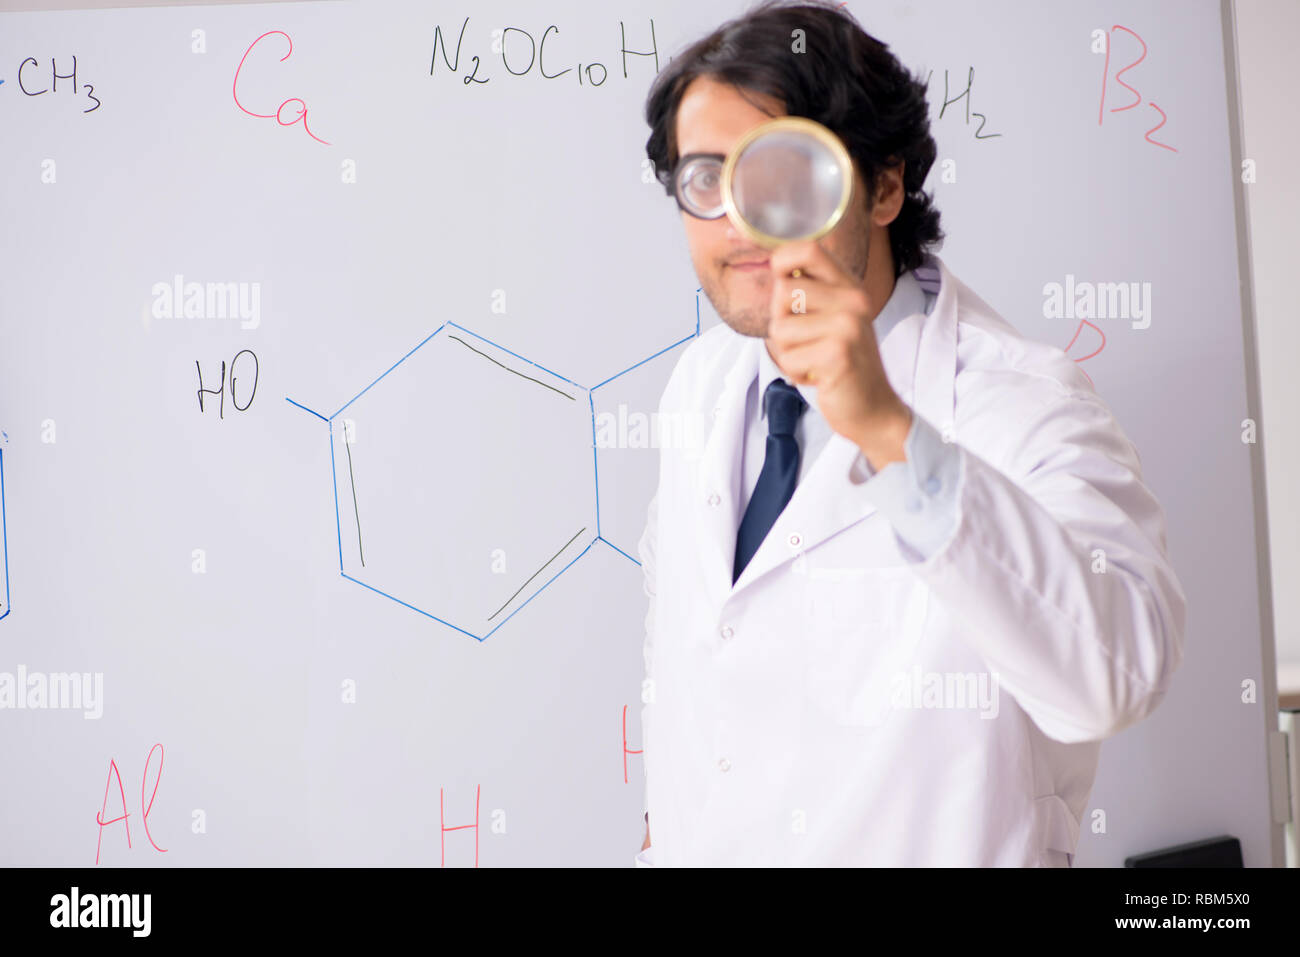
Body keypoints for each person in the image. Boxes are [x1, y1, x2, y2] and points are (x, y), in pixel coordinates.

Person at [634, 0, 1186, 866]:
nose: (738, 221)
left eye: (778, 170)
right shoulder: (702, 384)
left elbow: (1114, 672)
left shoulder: (1018, 400)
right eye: (705, 178)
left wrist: (888, 431)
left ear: (885, 185)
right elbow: (696, 669)